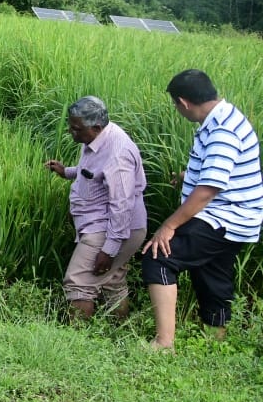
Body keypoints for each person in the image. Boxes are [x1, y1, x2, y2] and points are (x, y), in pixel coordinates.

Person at [142, 70, 263, 350]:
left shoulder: (222, 131)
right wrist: (188, 176)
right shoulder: (224, 117)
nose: (177, 109)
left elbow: (208, 190)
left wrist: (169, 226)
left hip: (224, 217)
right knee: (212, 274)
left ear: (183, 102)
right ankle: (215, 344)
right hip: (238, 219)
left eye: (175, 104)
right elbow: (218, 171)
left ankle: (163, 343)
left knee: (158, 257)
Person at [44, 97, 147, 321]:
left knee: (79, 282)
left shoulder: (118, 155)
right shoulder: (99, 138)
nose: (71, 132)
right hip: (104, 224)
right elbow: (93, 173)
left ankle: (77, 345)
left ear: (96, 127)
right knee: (112, 280)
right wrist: (67, 172)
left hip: (112, 228)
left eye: (76, 129)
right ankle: (117, 333)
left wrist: (109, 250)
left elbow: (122, 206)